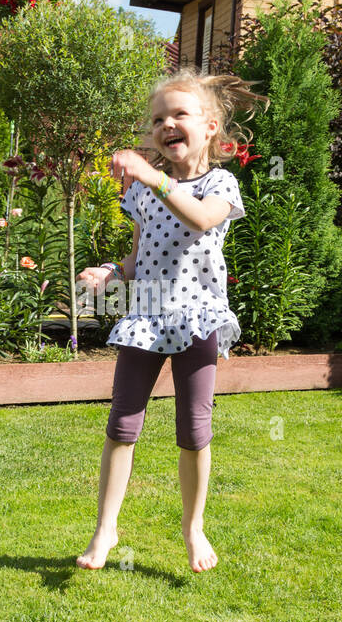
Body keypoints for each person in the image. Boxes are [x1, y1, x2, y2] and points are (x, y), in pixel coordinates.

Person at [75, 67, 268, 573]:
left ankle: (193, 527)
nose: (166, 125)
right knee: (121, 424)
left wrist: (151, 175)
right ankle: (105, 529)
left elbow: (201, 218)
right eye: (159, 118)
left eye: (179, 114)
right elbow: (142, 258)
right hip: (146, 317)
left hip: (198, 319)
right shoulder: (140, 193)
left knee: (194, 430)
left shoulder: (221, 183)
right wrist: (111, 272)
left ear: (209, 127)